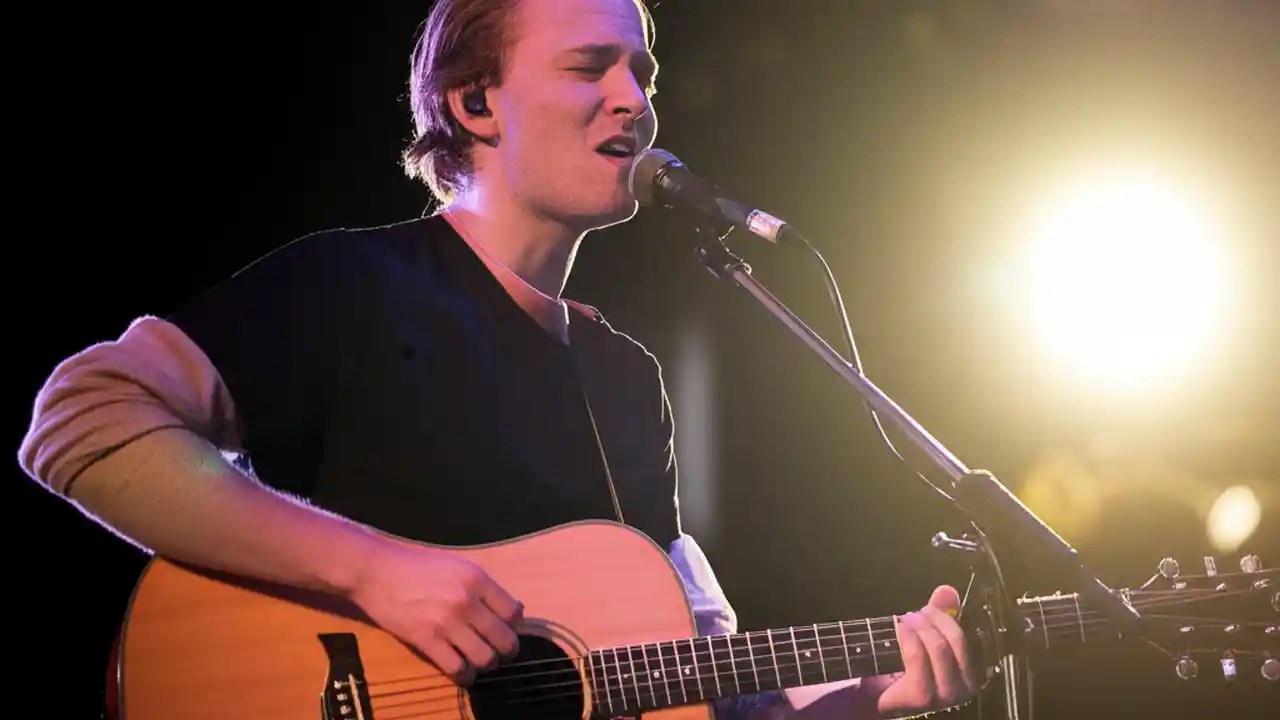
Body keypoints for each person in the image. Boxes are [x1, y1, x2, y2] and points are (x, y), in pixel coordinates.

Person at [17, 0, 982, 717]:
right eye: (591, 68)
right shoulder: (357, 284)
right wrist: (375, 572)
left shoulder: (624, 381)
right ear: (475, 103)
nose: (634, 102)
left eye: (643, 73)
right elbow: (81, 419)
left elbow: (687, 680)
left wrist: (866, 693)